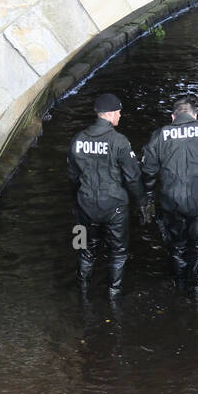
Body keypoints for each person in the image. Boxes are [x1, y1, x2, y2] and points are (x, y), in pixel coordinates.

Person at [140, 96, 198, 291]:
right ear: (195, 115)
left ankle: (180, 288)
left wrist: (148, 200)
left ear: (173, 117)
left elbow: (148, 172)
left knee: (177, 247)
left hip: (171, 200)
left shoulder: (160, 134)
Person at [67, 93, 144, 298]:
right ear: (109, 114)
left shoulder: (78, 140)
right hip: (114, 208)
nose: (120, 115)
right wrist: (142, 203)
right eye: (118, 112)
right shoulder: (120, 142)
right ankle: (114, 294)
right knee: (118, 252)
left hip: (84, 207)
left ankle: (82, 290)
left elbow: (73, 176)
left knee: (83, 247)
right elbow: (133, 178)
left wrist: (76, 203)